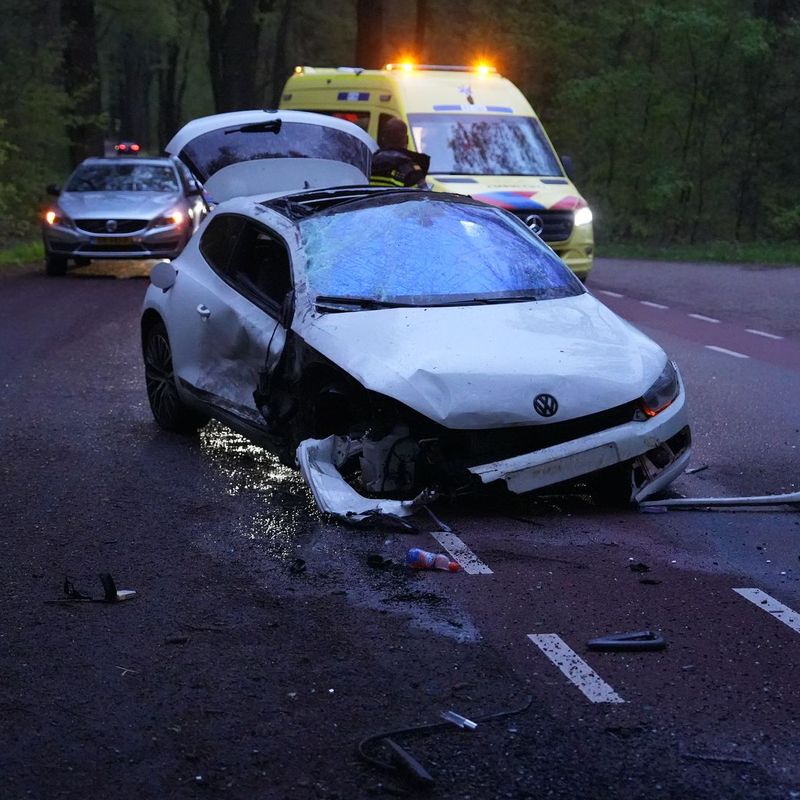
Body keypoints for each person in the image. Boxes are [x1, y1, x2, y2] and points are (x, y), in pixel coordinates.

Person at [370, 118, 430, 188]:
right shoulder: (410, 169)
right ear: (407, 140)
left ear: (383, 139)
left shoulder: (368, 165)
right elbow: (422, 196)